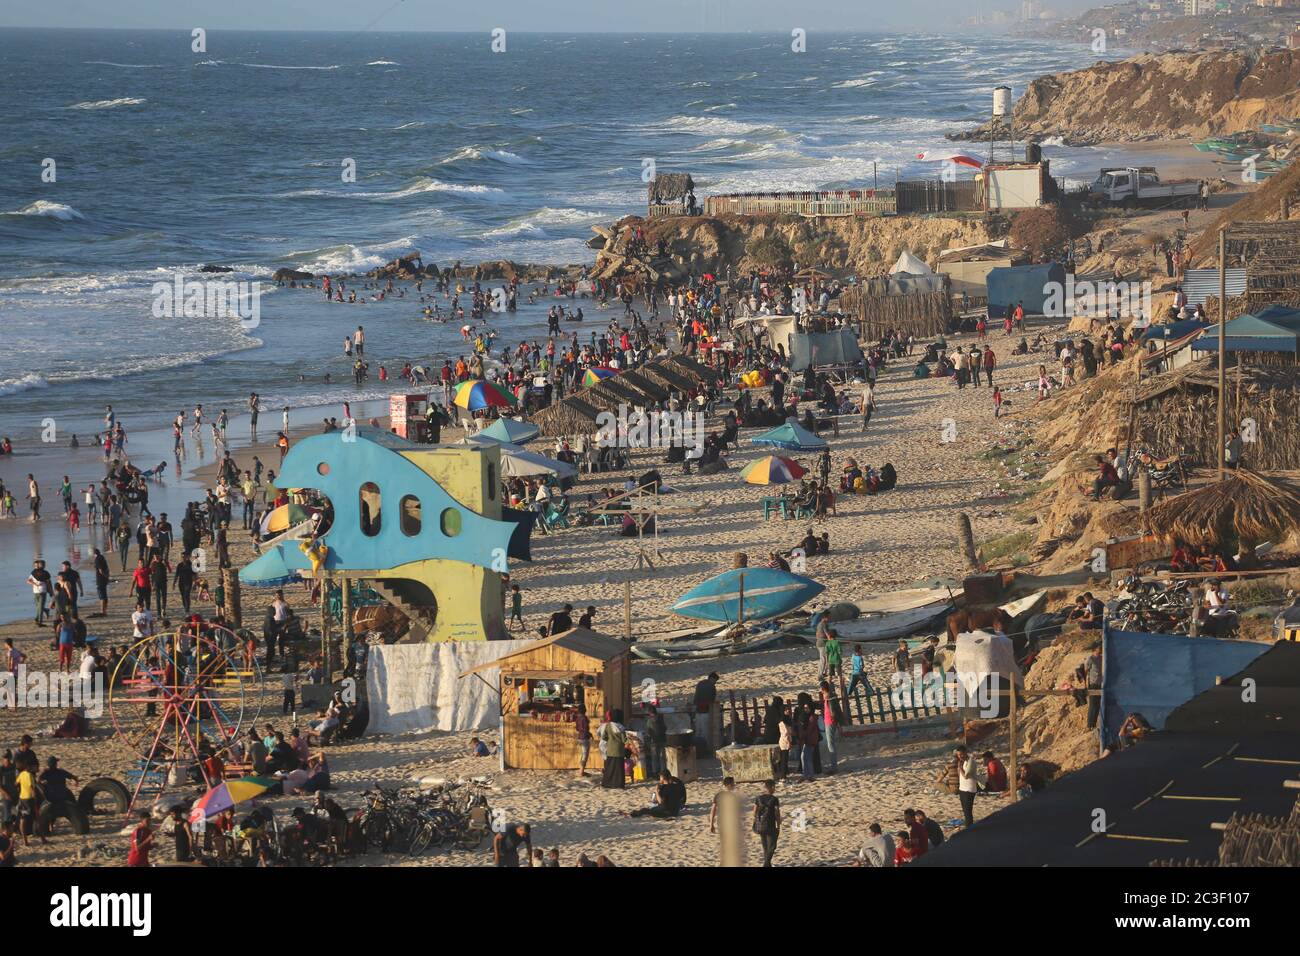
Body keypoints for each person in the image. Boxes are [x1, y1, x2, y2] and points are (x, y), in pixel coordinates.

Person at [752, 779, 781, 867]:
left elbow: (754, 812)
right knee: (772, 846)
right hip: (770, 825)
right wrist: (778, 825)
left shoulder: (758, 798)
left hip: (760, 825)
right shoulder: (774, 799)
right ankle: (766, 864)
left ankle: (768, 865)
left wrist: (757, 821)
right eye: (774, 787)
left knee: (765, 847)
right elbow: (777, 813)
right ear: (772, 787)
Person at [955, 745, 981, 828]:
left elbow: (966, 776)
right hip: (962, 789)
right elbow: (961, 775)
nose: (960, 756)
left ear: (965, 753)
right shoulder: (964, 761)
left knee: (968, 812)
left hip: (969, 790)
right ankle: (969, 828)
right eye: (958, 755)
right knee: (965, 812)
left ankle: (969, 829)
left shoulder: (971, 761)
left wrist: (959, 767)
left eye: (961, 754)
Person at [599, 710, 627, 789]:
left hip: (610, 750)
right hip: (619, 751)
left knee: (609, 768)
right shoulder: (621, 727)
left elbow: (604, 737)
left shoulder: (608, 726)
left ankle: (608, 783)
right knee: (618, 769)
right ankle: (618, 784)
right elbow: (624, 740)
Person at [574, 703, 592, 777]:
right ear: (585, 710)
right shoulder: (584, 718)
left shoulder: (578, 718)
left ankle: (581, 770)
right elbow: (585, 729)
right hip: (584, 737)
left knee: (582, 754)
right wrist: (589, 734)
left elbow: (577, 728)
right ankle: (581, 771)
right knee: (585, 755)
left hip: (580, 737)